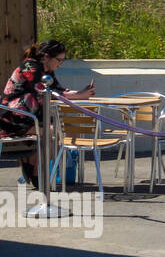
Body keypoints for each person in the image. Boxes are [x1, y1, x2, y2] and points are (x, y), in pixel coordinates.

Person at [1, 39, 95, 186]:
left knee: (57, 132)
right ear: (46, 57)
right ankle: (36, 172)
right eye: (59, 60)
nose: (60, 64)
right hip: (12, 119)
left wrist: (81, 92)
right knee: (52, 133)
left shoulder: (47, 71)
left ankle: (34, 167)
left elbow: (59, 89)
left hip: (30, 118)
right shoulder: (30, 66)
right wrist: (78, 95)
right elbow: (44, 90)